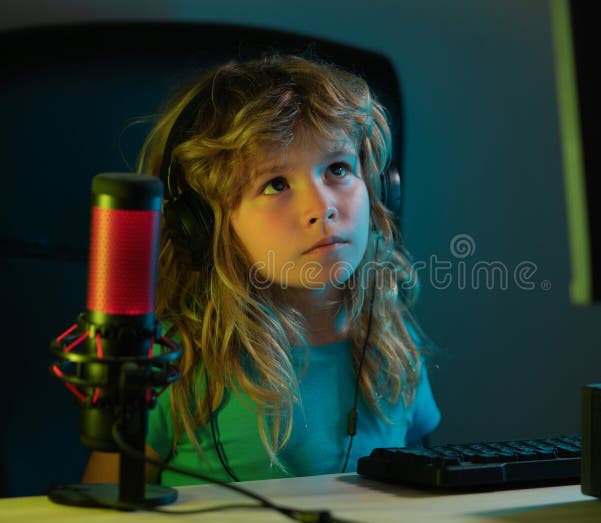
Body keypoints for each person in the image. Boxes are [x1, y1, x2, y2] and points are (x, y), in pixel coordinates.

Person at [82, 54, 441, 486]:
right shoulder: (176, 363)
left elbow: (429, 483)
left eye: (338, 169)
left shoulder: (393, 344)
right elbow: (101, 504)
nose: (322, 207)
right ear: (206, 224)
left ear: (379, 187)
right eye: (276, 184)